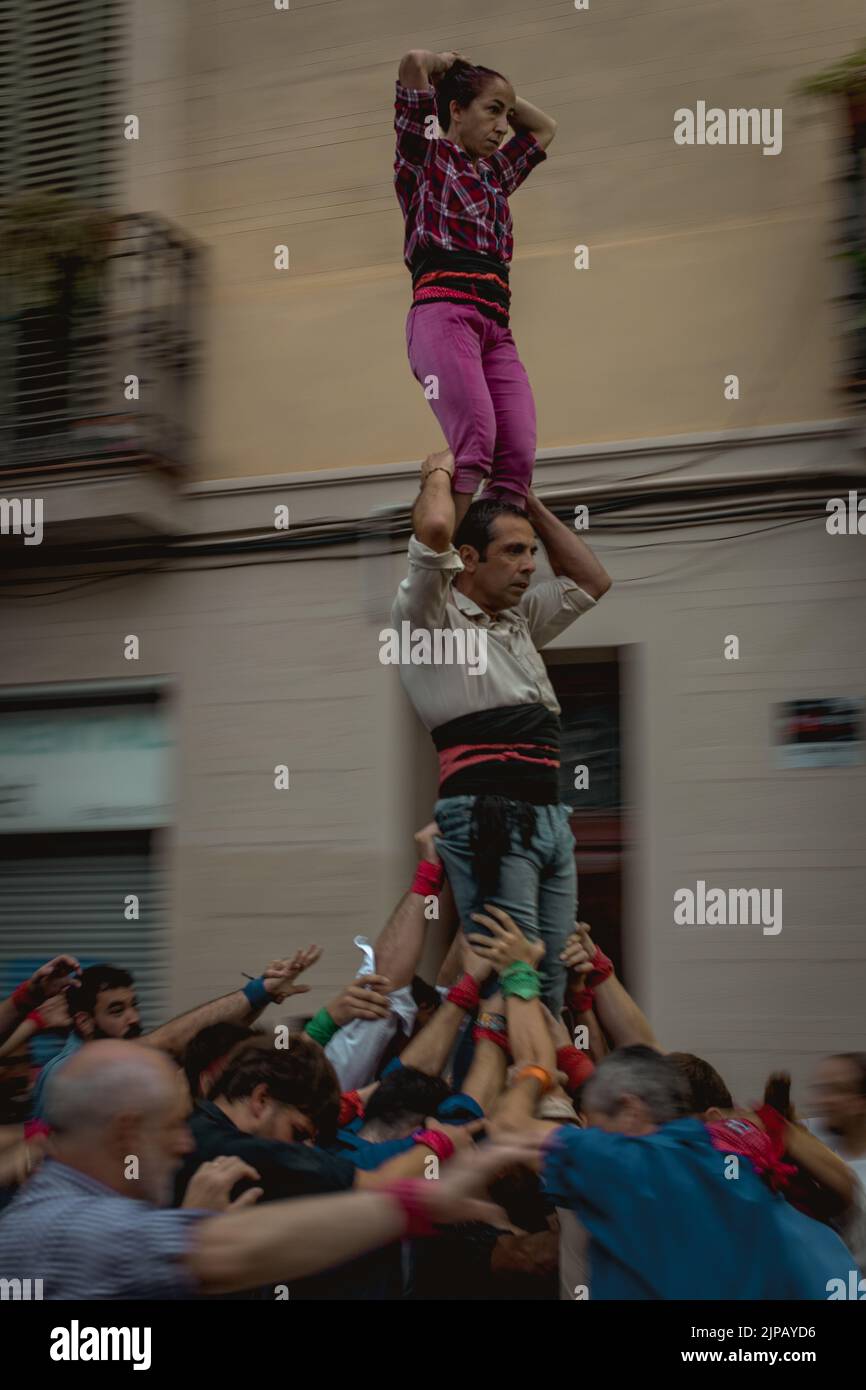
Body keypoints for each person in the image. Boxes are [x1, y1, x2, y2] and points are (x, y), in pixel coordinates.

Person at [0, 1040, 521, 1300]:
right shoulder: (69, 1228)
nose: (187, 1143)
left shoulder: (80, 1206)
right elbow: (233, 1252)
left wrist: (188, 1226)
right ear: (125, 1133)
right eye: (172, 1127)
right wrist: (416, 1204)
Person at [392, 481, 610, 1011]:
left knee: (554, 978)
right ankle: (496, 1086)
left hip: (546, 815)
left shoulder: (518, 621)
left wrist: (525, 499)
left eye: (532, 551)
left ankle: (537, 1084)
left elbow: (592, 579)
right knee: (513, 977)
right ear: (467, 559)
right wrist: (441, 474)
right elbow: (437, 528)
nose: (531, 565)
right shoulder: (428, 621)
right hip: (490, 810)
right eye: (515, 551)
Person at [395, 51, 557, 522]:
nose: (504, 126)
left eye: (507, 116)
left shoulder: (494, 176)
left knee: (517, 457)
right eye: (492, 112)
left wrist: (497, 92)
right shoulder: (424, 157)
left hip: (495, 327)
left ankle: (485, 571)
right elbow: (411, 66)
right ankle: (442, 567)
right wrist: (450, 65)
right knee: (475, 442)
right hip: (443, 314)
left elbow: (544, 128)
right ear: (455, 111)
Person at [28, 947, 321, 1117]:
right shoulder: (68, 1071)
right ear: (84, 1022)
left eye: (134, 1006)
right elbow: (167, 1044)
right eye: (117, 1011)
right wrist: (258, 991)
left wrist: (263, 996)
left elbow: (207, 1042)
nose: (134, 1018)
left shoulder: (121, 1058)